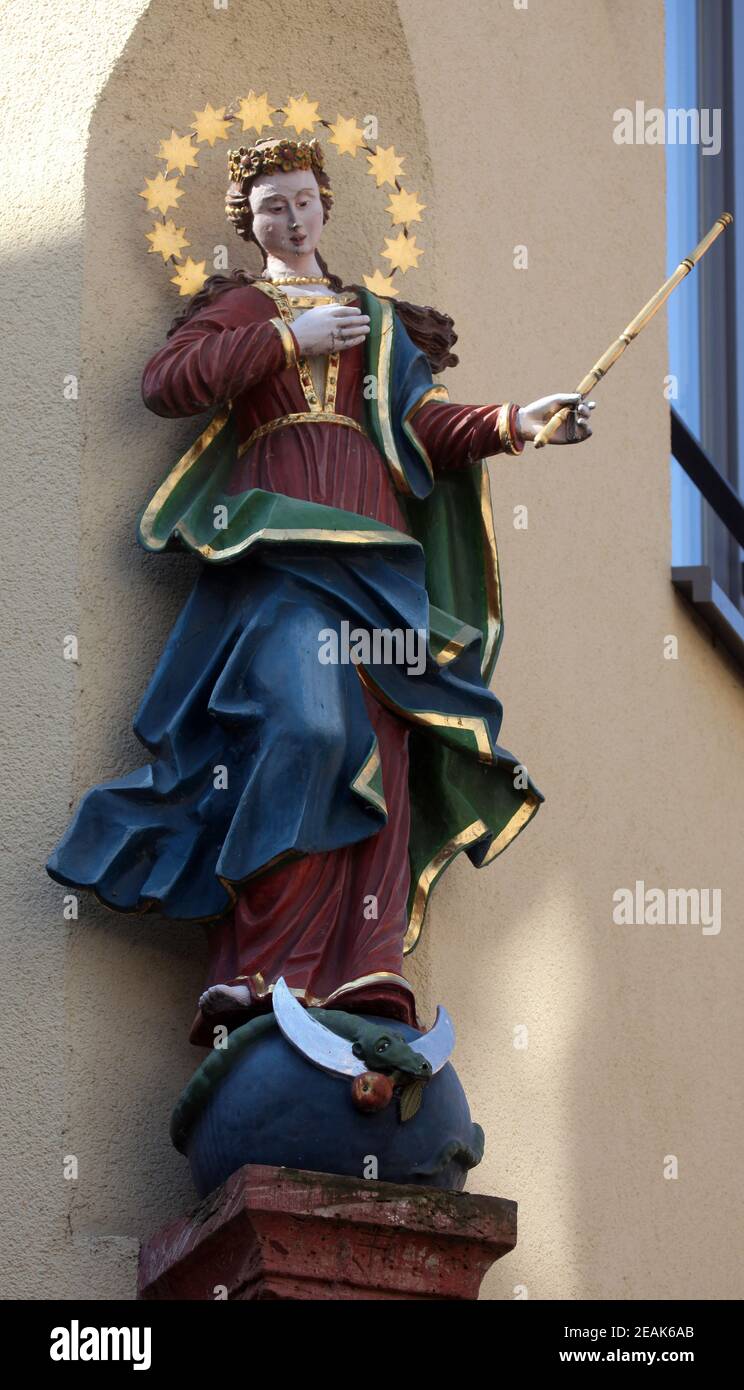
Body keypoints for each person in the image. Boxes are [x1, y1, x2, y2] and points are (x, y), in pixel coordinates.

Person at [47, 136, 596, 1046]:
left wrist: (514, 422)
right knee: (304, 729)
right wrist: (280, 338)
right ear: (249, 223)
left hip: (377, 556)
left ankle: (364, 968)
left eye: (302, 200)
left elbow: (423, 424)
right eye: (271, 208)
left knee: (384, 748)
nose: (290, 218)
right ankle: (260, 970)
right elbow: (166, 385)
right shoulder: (242, 307)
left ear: (326, 205)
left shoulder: (375, 320)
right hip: (282, 544)